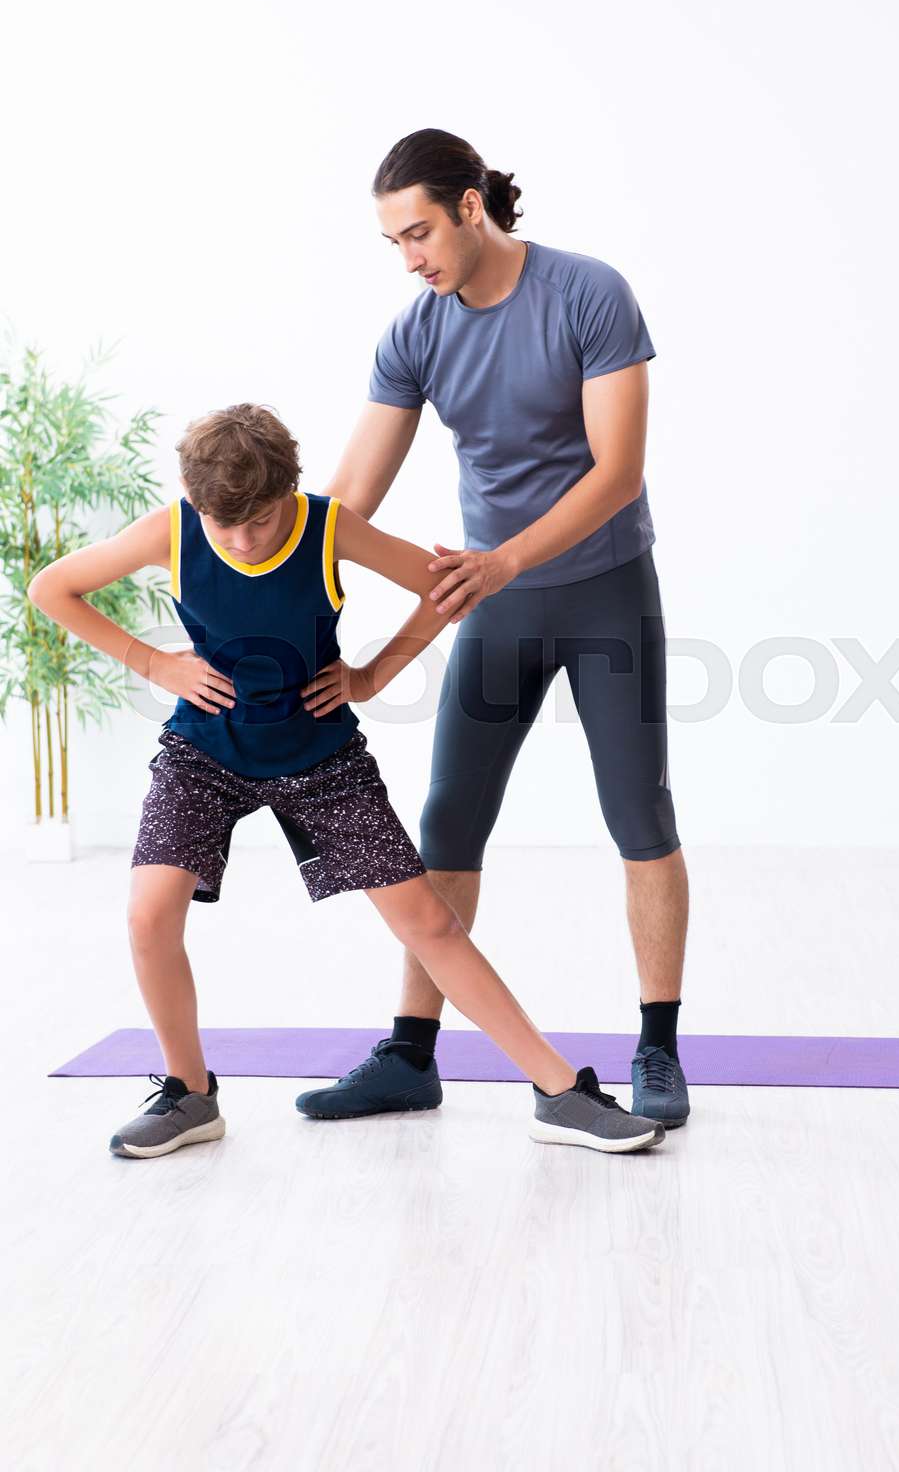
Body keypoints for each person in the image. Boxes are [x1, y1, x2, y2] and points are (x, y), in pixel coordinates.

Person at [27, 402, 666, 1159]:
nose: (239, 539)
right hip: (204, 751)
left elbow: (449, 587)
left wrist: (370, 676)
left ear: (287, 497)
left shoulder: (327, 526)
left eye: (258, 522)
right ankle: (188, 1094)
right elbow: (51, 589)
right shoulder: (172, 529)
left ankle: (561, 1095)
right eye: (221, 524)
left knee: (428, 923)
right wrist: (155, 662)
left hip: (321, 760)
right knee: (147, 915)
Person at [301, 128, 690, 1128]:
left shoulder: (588, 293)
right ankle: (411, 1054)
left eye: (420, 231)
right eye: (393, 242)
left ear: (473, 205)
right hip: (495, 607)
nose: (411, 257)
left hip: (602, 591)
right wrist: (261, 565)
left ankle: (656, 1047)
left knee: (639, 820)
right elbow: (349, 499)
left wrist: (507, 560)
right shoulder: (416, 331)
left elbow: (618, 471)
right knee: (448, 826)